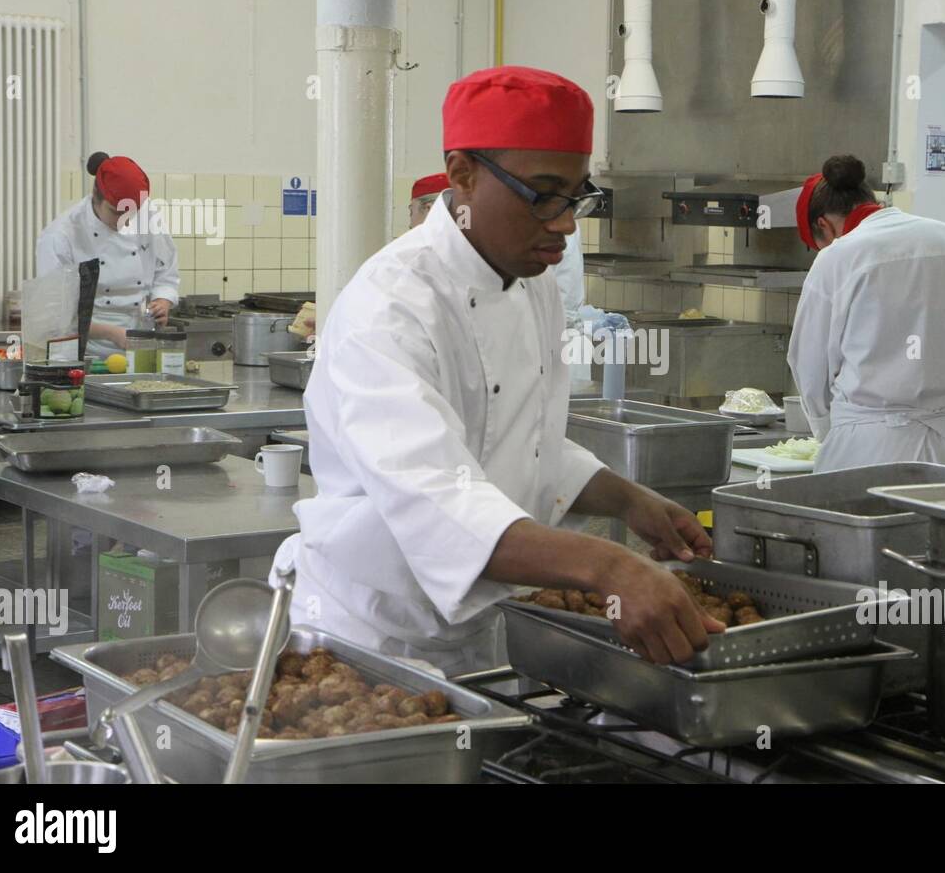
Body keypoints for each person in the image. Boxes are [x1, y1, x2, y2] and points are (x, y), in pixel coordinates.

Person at [272, 66, 723, 675]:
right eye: (542, 194)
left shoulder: (530, 283)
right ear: (463, 175)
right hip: (369, 641)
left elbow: (519, 441)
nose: (565, 222)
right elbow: (438, 498)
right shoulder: (391, 307)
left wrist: (626, 499)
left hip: (484, 630)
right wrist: (609, 566)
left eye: (577, 195)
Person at [786, 155, 945, 474]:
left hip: (869, 450)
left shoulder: (837, 258)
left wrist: (830, 432)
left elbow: (809, 367)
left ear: (823, 225)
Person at [36, 152, 180, 358]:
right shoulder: (61, 235)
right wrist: (112, 334)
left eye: (132, 213)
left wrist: (162, 300)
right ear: (96, 197)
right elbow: (57, 313)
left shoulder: (148, 217)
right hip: (84, 353)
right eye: (116, 212)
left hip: (140, 345)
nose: (126, 222)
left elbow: (166, 270)